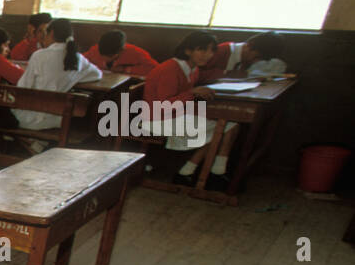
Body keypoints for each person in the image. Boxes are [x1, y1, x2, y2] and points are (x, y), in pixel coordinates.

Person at [143, 31, 222, 187]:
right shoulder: (170, 69)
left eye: (212, 50)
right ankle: (200, 173)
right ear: (188, 50)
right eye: (202, 49)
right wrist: (191, 93)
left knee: (228, 125)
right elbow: (163, 106)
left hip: (173, 115)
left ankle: (203, 171)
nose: (208, 55)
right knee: (221, 127)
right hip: (156, 118)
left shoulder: (193, 69)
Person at [13, 18, 101, 135]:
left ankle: (34, 145)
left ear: (52, 33)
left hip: (31, 118)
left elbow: (23, 87)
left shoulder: (39, 56)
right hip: (59, 119)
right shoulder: (77, 58)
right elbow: (97, 74)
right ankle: (36, 145)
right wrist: (74, 77)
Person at [201, 32, 287, 81]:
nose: (255, 62)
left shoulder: (244, 60)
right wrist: (229, 74)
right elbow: (197, 75)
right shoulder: (221, 51)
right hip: (195, 97)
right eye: (255, 57)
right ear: (250, 45)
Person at [82, 30, 157, 76]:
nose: (105, 59)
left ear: (121, 50)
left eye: (110, 55)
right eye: (102, 55)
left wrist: (126, 69)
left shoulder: (136, 53)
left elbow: (154, 70)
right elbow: (80, 62)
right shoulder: (94, 50)